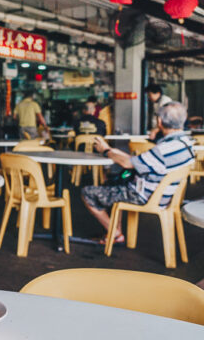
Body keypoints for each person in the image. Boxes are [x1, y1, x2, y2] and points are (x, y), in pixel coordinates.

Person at [81, 102, 195, 244]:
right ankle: (115, 230)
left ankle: (115, 233)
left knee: (88, 193)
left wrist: (105, 150)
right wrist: (112, 151)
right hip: (167, 196)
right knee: (114, 183)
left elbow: (128, 164)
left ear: (159, 121)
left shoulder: (163, 150)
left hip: (144, 196)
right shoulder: (186, 144)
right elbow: (137, 161)